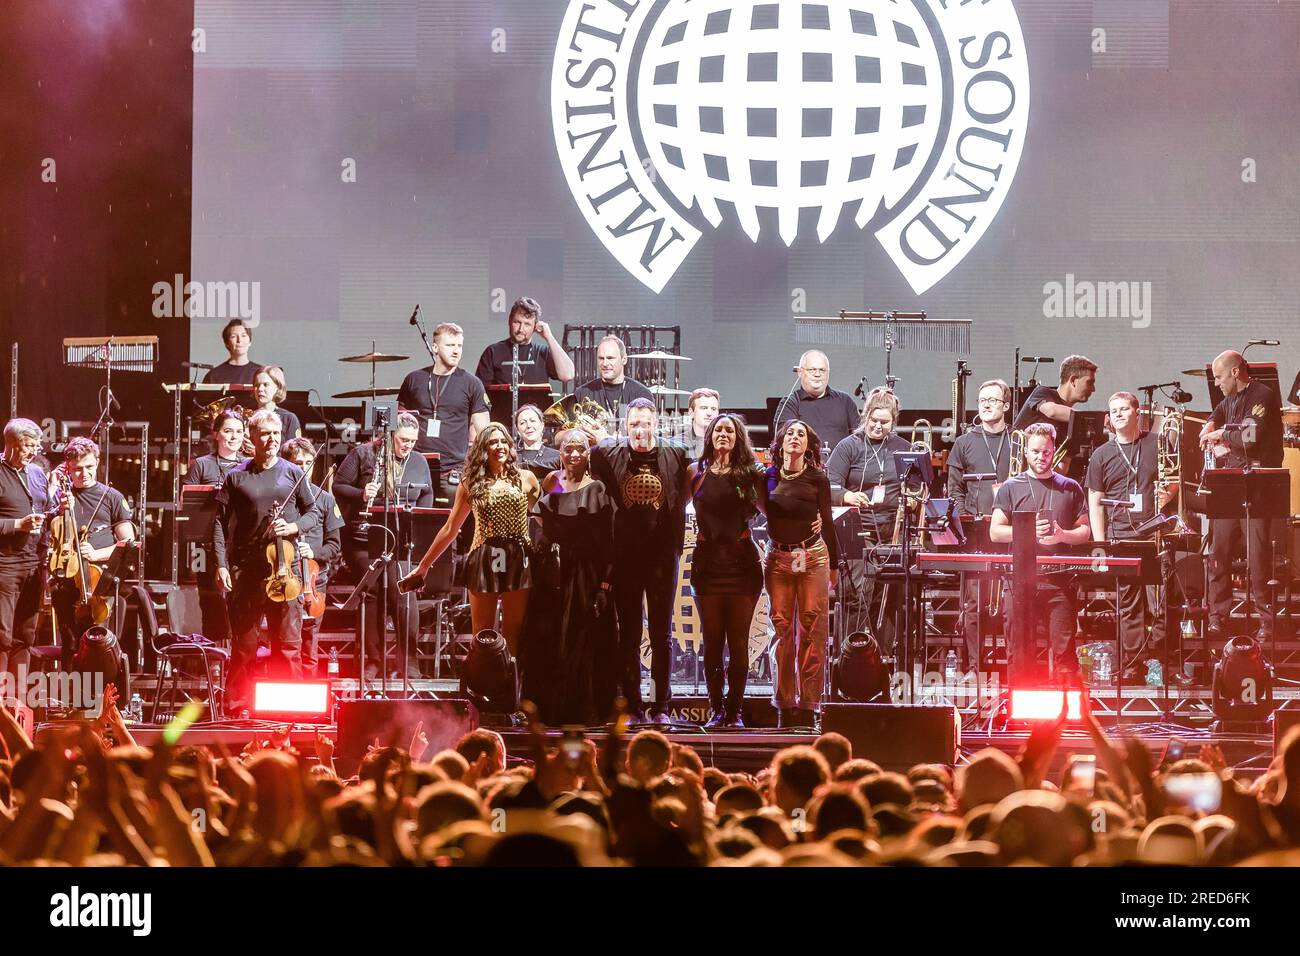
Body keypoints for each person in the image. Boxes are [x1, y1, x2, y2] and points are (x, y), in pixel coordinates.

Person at [212, 409, 320, 715]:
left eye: (275, 434)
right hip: (248, 569)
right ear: (252, 436)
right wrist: (221, 563)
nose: (271, 439)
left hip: (284, 569)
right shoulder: (237, 476)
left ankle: (287, 711)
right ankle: (237, 708)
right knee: (244, 647)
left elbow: (313, 512)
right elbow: (219, 523)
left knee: (286, 644)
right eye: (264, 434)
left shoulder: (293, 473)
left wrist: (294, 527)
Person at [589, 398, 690, 724]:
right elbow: (577, 462)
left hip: (662, 556)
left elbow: (692, 485)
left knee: (661, 634)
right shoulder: (606, 454)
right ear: (625, 426)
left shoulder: (676, 453)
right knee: (629, 634)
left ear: (656, 425)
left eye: (646, 424)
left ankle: (661, 707)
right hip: (626, 558)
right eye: (634, 424)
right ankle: (632, 706)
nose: (641, 431)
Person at [402, 423, 541, 658]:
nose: (500, 446)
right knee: (483, 635)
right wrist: (424, 566)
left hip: (519, 556)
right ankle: (483, 689)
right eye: (493, 442)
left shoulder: (527, 479)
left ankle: (512, 689)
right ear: (483, 449)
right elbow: (449, 528)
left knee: (514, 633)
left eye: (503, 441)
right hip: (485, 555)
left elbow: (542, 519)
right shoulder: (471, 484)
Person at [1086, 392, 1185, 682]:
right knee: (1129, 606)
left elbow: (1174, 480)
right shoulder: (1101, 454)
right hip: (1121, 538)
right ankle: (1132, 665)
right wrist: (1100, 543)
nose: (1117, 414)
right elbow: (1095, 499)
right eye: (1112, 410)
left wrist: (1161, 501)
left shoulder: (1155, 443)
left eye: (1123, 409)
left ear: (1137, 411)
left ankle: (1163, 663)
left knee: (1165, 603)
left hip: (1156, 535)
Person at [525, 428, 617, 725]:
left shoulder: (598, 489)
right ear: (560, 454)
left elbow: (608, 543)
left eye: (580, 449)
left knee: (581, 640)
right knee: (549, 639)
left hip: (585, 575)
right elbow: (540, 520)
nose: (574, 454)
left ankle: (582, 710)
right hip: (553, 572)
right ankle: (549, 709)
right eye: (568, 449)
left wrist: (604, 585)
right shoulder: (552, 481)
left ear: (588, 454)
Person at [334, 412, 434, 678]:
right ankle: (374, 660)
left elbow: (427, 493)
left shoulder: (419, 461)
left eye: (413, 441)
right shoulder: (365, 455)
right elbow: (338, 485)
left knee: (404, 591)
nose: (408, 445)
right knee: (373, 593)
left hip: (401, 538)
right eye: (403, 440)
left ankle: (408, 661)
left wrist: (418, 519)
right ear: (391, 436)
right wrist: (360, 493)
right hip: (364, 538)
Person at [989, 422, 1091, 676]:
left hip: (1060, 581)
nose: (1041, 457)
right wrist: (1027, 532)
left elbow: (1085, 532)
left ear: (1053, 450)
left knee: (1064, 653)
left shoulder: (1070, 487)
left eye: (1046, 452)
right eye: (1035, 451)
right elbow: (995, 532)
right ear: (1025, 451)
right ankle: (1019, 712)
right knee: (1019, 652)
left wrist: (1062, 535)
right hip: (1020, 581)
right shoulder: (1011, 487)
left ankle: (1065, 712)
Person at [1199, 350, 1284, 642]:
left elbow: (1251, 436)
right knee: (1217, 552)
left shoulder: (1263, 395)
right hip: (1231, 482)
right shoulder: (1230, 398)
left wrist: (1221, 435)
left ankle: (1267, 623)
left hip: (1258, 485)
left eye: (1220, 377)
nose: (1217, 384)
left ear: (1235, 372)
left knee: (1258, 556)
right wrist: (1211, 423)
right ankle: (1216, 618)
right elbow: (1220, 411)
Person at [686, 413, 764, 728]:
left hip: (742, 564)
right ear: (710, 436)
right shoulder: (695, 472)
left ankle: (735, 712)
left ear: (738, 437)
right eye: (718, 429)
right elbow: (674, 507)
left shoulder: (750, 474)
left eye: (729, 430)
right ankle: (717, 709)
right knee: (713, 642)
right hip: (707, 564)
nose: (723, 434)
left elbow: (774, 510)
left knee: (739, 642)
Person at [763, 420, 839, 730]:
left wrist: (835, 563)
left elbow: (828, 520)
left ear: (809, 446)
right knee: (781, 631)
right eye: (790, 433)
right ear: (780, 442)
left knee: (813, 628)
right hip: (779, 557)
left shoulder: (817, 478)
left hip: (813, 556)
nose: (795, 438)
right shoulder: (766, 476)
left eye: (802, 435)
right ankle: (784, 704)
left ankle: (809, 706)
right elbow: (758, 508)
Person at [827, 387, 910, 654]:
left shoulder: (902, 448)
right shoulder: (849, 446)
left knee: (888, 597)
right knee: (857, 596)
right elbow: (828, 487)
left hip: (892, 532)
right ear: (865, 417)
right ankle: (851, 656)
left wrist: (913, 499)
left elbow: (920, 488)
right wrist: (848, 495)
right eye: (873, 421)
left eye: (884, 422)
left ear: (893, 421)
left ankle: (883, 657)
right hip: (857, 530)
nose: (877, 426)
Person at [47, 438, 136, 668]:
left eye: (89, 466)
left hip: (99, 582)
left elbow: (128, 542)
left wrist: (97, 554)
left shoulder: (112, 497)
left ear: (97, 462)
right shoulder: (62, 498)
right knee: (71, 644)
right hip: (67, 583)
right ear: (67, 468)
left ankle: (103, 699)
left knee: (101, 645)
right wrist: (57, 505)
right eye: (77, 469)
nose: (84, 473)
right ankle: (71, 699)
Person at [947, 379, 1013, 668]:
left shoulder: (1017, 440)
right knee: (973, 602)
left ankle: (1012, 664)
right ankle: (973, 665)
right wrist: (962, 519)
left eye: (993, 400)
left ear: (1007, 406)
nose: (986, 405)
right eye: (982, 399)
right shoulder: (964, 442)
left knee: (1009, 601)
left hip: (1010, 531)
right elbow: (954, 488)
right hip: (974, 532)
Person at [183, 408, 247, 647]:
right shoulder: (201, 465)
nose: (234, 437)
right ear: (216, 434)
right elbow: (187, 506)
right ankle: (213, 659)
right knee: (211, 602)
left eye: (239, 432)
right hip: (206, 544)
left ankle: (238, 655)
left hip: (239, 543)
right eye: (228, 431)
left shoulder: (248, 465)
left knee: (240, 602)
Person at [281, 438, 344, 677]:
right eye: (298, 463)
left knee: (310, 638)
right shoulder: (282, 500)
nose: (304, 469)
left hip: (316, 582)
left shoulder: (325, 500)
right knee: (288, 640)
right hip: (287, 580)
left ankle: (309, 689)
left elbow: (334, 547)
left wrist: (314, 553)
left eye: (309, 463)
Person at [397, 321, 491, 484]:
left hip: (454, 471)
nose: (456, 351)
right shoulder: (414, 379)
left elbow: (485, 432)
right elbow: (399, 423)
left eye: (459, 346)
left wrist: (476, 466)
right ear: (435, 348)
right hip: (414, 465)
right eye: (450, 345)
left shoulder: (472, 383)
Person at [0, 419, 51, 679]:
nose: (34, 451)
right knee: (2, 634)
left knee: (26, 634)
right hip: (5, 565)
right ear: (10, 444)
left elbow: (46, 512)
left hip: (34, 563)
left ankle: (17, 704)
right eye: (28, 446)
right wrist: (17, 524)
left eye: (36, 445)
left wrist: (60, 510)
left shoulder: (37, 473)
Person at [1011, 354, 1098, 462]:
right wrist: (1096, 419)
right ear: (1073, 380)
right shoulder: (1042, 392)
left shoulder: (1075, 423)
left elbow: (1064, 464)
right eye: (1089, 382)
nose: (1093, 389)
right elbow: (1051, 411)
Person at [475, 296, 575, 387]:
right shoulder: (492, 352)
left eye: (527, 324)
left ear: (535, 326)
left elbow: (568, 375)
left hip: (538, 407)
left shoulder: (542, 352)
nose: (521, 329)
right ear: (509, 321)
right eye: (517, 322)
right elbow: (481, 392)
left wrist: (549, 337)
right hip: (502, 407)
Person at [775, 350, 860, 454]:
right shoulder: (790, 403)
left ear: (828, 373)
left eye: (822, 370)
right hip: (806, 467)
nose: (817, 374)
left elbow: (859, 438)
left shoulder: (845, 401)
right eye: (812, 370)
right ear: (800, 372)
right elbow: (785, 441)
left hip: (843, 467)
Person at [574, 336, 653, 436]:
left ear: (624, 359)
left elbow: (647, 436)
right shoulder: (582, 392)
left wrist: (608, 440)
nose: (605, 363)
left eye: (610, 358)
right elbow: (558, 438)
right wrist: (575, 431)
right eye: (601, 358)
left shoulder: (641, 394)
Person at [202, 318, 261, 387]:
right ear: (227, 343)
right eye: (234, 336)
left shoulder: (261, 372)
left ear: (250, 341)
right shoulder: (213, 375)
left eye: (243, 335)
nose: (239, 340)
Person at [252, 365, 301, 442]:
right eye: (256, 385)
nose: (260, 389)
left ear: (278, 387)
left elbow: (293, 453)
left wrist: (257, 451)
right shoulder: (247, 416)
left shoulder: (289, 419)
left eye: (266, 385)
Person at [515, 404, 560, 483]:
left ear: (542, 425)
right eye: (522, 423)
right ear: (518, 430)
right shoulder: (512, 457)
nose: (528, 426)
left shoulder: (558, 456)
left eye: (532, 421)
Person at [673, 387, 720, 459]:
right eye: (704, 408)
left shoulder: (724, 442)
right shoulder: (676, 443)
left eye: (713, 409)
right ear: (691, 412)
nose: (709, 413)